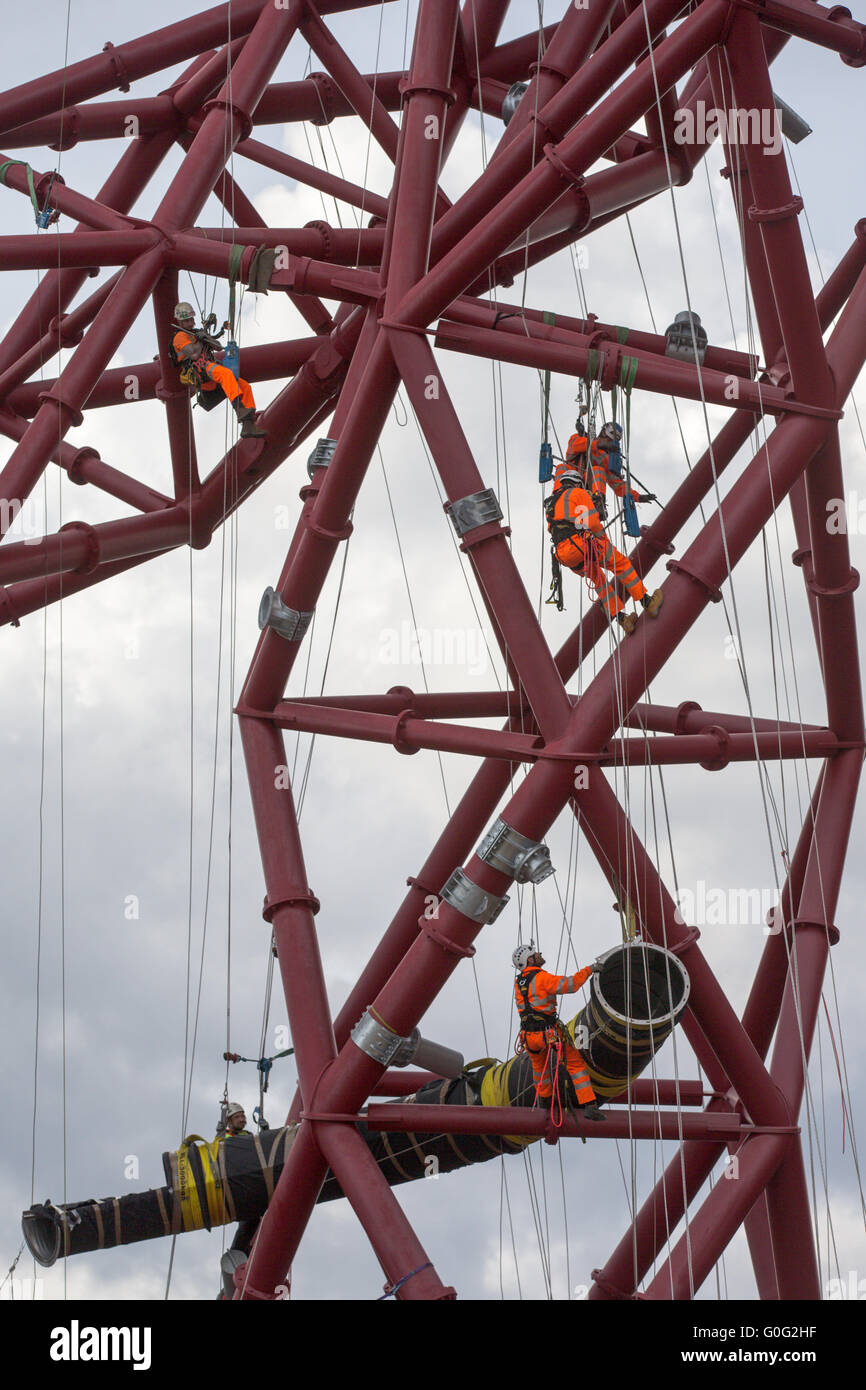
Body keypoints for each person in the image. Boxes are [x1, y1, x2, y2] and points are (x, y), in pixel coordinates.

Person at [545, 466, 663, 633]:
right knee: (621, 563)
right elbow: (593, 523)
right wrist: (605, 542)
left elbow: (553, 529)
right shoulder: (579, 493)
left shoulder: (551, 505)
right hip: (581, 546)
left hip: (564, 556)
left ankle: (623, 620)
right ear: (577, 483)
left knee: (599, 582)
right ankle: (647, 602)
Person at [512, 944, 606, 1120]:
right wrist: (590, 969)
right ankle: (590, 1106)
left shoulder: (519, 983)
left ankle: (546, 1103)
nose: (539, 953)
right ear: (530, 960)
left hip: (529, 1037)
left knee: (540, 1070)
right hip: (549, 1033)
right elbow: (571, 985)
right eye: (535, 953)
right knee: (574, 1064)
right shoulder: (541, 978)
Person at [170, 302, 266, 438]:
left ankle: (248, 424)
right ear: (180, 321)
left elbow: (218, 347)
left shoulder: (197, 333)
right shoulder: (179, 337)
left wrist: (205, 337)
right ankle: (240, 409)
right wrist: (200, 340)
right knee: (226, 374)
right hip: (200, 370)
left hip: (209, 367)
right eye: (186, 321)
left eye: (191, 319)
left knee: (245, 386)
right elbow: (194, 354)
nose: (190, 323)